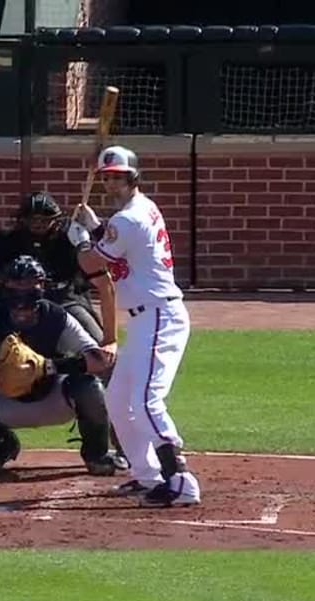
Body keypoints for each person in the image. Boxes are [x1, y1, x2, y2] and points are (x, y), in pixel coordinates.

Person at [0, 191, 125, 470]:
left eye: (45, 220)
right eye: (33, 219)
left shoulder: (71, 240)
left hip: (64, 301)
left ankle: (120, 441)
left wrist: (107, 342)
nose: (38, 225)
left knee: (108, 362)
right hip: (0, 306)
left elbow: (104, 280)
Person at [70, 146, 202, 507]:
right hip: (146, 319)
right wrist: (95, 227)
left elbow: (91, 264)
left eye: (118, 177)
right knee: (117, 399)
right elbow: (117, 245)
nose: (112, 183)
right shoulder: (137, 211)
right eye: (107, 177)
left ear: (133, 178)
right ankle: (148, 476)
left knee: (146, 401)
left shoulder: (128, 219)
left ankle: (180, 480)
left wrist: (80, 237)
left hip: (160, 317)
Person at [0, 256, 118, 476]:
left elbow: (98, 361)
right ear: (6, 288)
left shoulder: (57, 317)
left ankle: (96, 454)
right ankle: (2, 447)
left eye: (30, 285)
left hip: (54, 396)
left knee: (90, 389)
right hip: (7, 399)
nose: (23, 296)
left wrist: (47, 367)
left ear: (42, 287)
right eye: (18, 285)